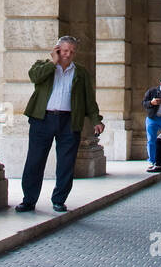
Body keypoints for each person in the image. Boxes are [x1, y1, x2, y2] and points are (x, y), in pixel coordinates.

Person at [15, 36, 104, 214]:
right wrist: (52, 63)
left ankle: (59, 200)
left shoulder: (80, 72)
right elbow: (34, 77)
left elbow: (89, 99)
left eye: (71, 51)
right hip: (42, 119)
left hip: (69, 122)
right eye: (64, 51)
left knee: (66, 163)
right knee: (35, 161)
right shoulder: (43, 66)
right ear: (57, 49)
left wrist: (96, 120)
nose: (68, 54)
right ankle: (29, 200)